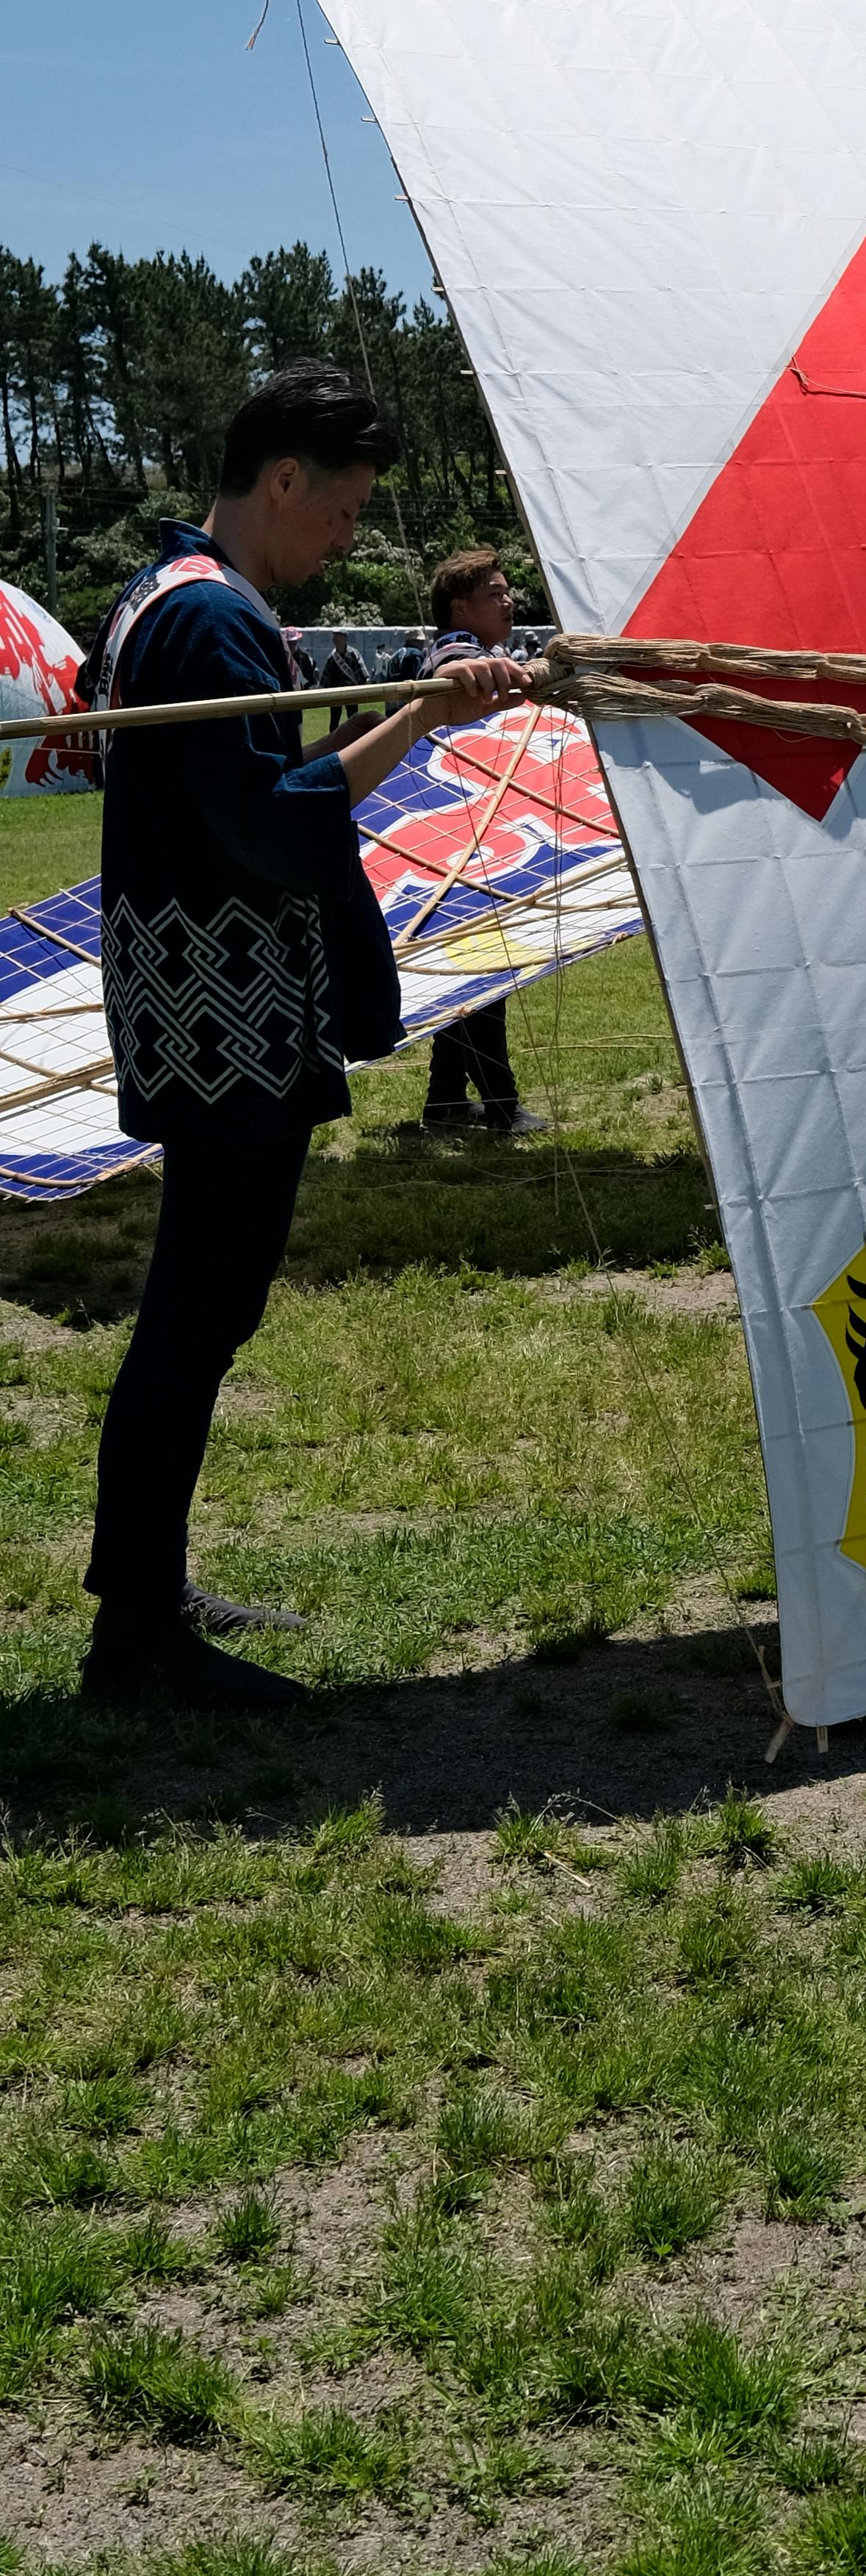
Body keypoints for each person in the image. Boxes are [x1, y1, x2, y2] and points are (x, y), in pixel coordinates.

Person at [75, 367, 533, 1709]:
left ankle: (147, 1588)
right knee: (197, 1313)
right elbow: (273, 825)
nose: (349, 537)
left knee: (199, 1310)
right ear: (283, 484)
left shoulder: (169, 594)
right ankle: (138, 1638)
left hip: (200, 1006)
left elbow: (244, 791)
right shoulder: (212, 623)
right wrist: (424, 717)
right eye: (342, 509)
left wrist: (411, 692)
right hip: (223, 1019)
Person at [414, 545, 544, 1140]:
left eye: (508, 591)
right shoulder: (460, 655)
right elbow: (449, 673)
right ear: (461, 608)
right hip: (454, 837)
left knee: (463, 974)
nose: (509, 600)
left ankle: (444, 1104)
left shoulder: (483, 653)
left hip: (471, 833)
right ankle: (502, 1107)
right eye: (496, 593)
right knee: (481, 974)